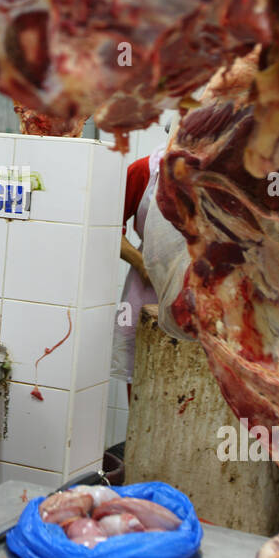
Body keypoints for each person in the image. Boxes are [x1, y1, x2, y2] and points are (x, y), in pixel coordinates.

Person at [110, 145, 163, 398]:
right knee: (145, 390)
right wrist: (142, 263)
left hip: (209, 297)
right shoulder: (146, 170)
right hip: (149, 290)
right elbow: (106, 226)